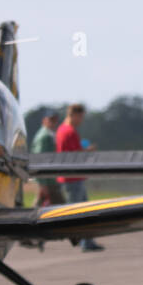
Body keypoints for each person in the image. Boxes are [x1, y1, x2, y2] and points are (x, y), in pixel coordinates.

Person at [56, 103, 103, 251]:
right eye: (81, 117)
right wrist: (88, 150)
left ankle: (86, 240)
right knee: (80, 212)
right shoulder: (70, 132)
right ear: (74, 115)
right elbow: (75, 155)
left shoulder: (61, 130)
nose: (81, 120)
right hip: (73, 177)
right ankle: (83, 241)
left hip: (70, 177)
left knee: (83, 210)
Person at [32, 111, 64, 206]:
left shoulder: (49, 134)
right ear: (44, 120)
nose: (53, 122)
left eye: (55, 120)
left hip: (50, 179)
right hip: (48, 179)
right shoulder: (45, 136)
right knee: (62, 207)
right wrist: (42, 183)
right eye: (50, 120)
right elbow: (39, 159)